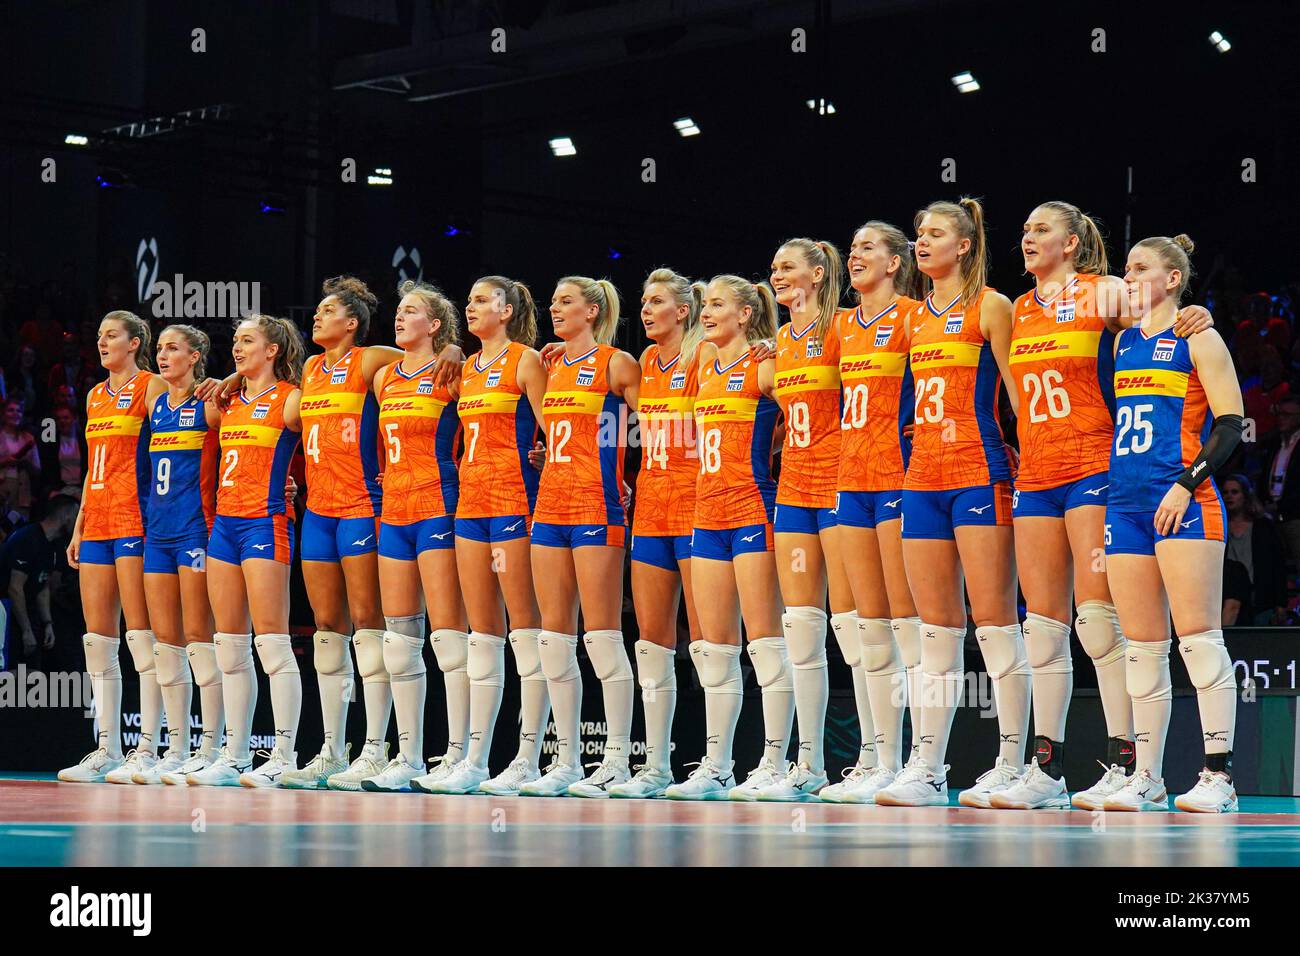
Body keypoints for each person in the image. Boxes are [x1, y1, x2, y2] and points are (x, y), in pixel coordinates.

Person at [989, 202, 1210, 811]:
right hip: (1036, 471)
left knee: (1096, 621)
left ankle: (1125, 762)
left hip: (1093, 464)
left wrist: (1197, 311)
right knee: (1043, 625)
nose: (1028, 237)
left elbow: (1159, 304)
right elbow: (1012, 388)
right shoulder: (1020, 306)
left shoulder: (1100, 292)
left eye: (1041, 229)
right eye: (1025, 228)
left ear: (1074, 242)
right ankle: (1046, 769)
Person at [875, 198, 1023, 808]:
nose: (921, 243)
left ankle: (1016, 762)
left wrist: (1031, 458)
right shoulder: (910, 319)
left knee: (994, 625)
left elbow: (1019, 395)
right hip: (922, 480)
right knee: (934, 632)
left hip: (979, 472)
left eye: (934, 234)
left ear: (964, 245)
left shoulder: (991, 305)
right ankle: (928, 768)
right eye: (917, 235)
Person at [1102, 235, 1244, 813]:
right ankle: (1148, 776)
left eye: (1141, 268)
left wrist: (1186, 484)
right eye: (1126, 267)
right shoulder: (1122, 342)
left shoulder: (1198, 336)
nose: (1128, 276)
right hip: (1127, 505)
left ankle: (1218, 777)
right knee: (1140, 647)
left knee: (1200, 641)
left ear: (1172, 280)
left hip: (1183, 502)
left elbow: (1232, 425)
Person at [664, 276, 784, 801]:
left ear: (745, 314)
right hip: (706, 512)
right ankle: (717, 765)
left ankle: (777, 762)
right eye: (704, 304)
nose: (705, 312)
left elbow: (805, 417)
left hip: (753, 508)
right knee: (714, 649)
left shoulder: (764, 363)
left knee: (765, 644)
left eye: (716, 305)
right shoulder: (701, 365)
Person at [518, 276, 638, 798]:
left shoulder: (616, 363)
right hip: (550, 505)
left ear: (592, 311)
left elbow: (659, 424)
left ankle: (618, 762)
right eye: (553, 300)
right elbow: (555, 431)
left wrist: (636, 472)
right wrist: (550, 456)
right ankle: (564, 761)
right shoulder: (548, 364)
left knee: (603, 636)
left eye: (565, 301)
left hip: (598, 506)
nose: (555, 308)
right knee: (553, 636)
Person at [744, 238, 855, 802]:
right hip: (793, 489)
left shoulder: (844, 328)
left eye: (787, 266)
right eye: (774, 266)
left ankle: (875, 760)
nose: (777, 274)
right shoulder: (780, 342)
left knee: (855, 629)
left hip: (843, 485)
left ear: (817, 273)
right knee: (802, 629)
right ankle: (806, 763)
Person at [435, 275, 550, 796]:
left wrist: (547, 458)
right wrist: (454, 346)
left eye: (481, 299)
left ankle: (528, 758)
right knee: (482, 636)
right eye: (470, 298)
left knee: (525, 633)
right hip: (470, 507)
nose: (471, 305)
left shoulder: (526, 360)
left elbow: (556, 426)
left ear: (507, 311)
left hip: (514, 504)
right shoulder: (462, 370)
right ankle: (475, 759)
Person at [820, 221, 923, 803]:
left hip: (902, 478)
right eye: (851, 246)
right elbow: (795, 372)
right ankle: (877, 759)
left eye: (867, 248)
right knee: (868, 632)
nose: (855, 254)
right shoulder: (838, 325)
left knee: (908, 630)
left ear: (894, 263)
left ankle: (918, 762)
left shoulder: (913, 315)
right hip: (849, 480)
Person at [186, 315, 305, 787]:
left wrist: (298, 487)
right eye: (235, 341)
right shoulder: (226, 400)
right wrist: (225, 383)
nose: (236, 348)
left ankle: (283, 754)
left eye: (247, 341)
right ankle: (234, 755)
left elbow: (328, 436)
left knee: (272, 644)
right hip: (225, 527)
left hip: (266, 522)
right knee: (229, 647)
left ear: (273, 350)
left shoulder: (290, 399)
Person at [361, 282, 467, 792]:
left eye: (411, 312)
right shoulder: (383, 378)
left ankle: (460, 756)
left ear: (436, 325)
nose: (400, 318)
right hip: (394, 512)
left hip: (439, 506)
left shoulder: (453, 371)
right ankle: (407, 759)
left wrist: (455, 350)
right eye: (399, 311)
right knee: (399, 643)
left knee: (449, 638)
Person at [608, 268, 704, 798]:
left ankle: (721, 764)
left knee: (710, 643)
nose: (645, 310)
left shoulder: (703, 357)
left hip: (698, 505)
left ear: (683, 311)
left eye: (657, 301)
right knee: (652, 644)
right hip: (650, 506)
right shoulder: (646, 361)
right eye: (643, 301)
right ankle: (657, 768)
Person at [59, 311, 165, 783]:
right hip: (98, 518)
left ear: (135, 342)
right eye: (98, 335)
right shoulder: (95, 395)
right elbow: (90, 466)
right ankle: (107, 748)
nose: (101, 342)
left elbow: (180, 444)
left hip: (135, 517)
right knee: (97, 640)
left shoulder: (153, 386)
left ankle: (149, 746)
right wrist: (80, 524)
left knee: (142, 638)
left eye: (111, 336)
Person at [129, 326, 225, 785]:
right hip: (159, 534)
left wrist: (288, 484)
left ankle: (213, 746)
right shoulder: (154, 403)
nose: (162, 355)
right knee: (165, 644)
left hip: (197, 532)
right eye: (160, 348)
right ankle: (175, 747)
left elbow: (247, 446)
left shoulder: (211, 404)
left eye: (173, 348)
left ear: (196, 354)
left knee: (198, 638)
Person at [1, 495, 78, 670]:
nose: (77, 522)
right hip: (7, 613)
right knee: (13, 672)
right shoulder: (27, 538)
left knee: (33, 671)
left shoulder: (52, 544)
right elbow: (15, 588)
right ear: (66, 514)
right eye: (75, 515)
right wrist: (26, 630)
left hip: (28, 612)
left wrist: (47, 624)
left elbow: (42, 586)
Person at [1220, 474, 1287, 626]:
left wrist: (1281, 602)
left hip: (1260, 599)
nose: (1229, 496)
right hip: (1227, 598)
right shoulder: (1219, 526)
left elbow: (1277, 564)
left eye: (1234, 492)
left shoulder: (1263, 526)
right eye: (1225, 492)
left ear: (1245, 495)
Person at [0, 399, 41, 521]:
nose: (15, 413)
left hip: (22, 492)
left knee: (18, 530)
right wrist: (4, 461)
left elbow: (37, 469)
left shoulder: (28, 438)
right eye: (10, 410)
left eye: (18, 411)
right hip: (2, 489)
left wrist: (25, 463)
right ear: (3, 413)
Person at [39, 404, 86, 498]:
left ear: (74, 419)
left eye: (66, 418)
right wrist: (50, 492)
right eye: (59, 419)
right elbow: (47, 470)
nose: (62, 421)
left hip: (83, 490)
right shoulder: (50, 443)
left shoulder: (85, 441)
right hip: (60, 490)